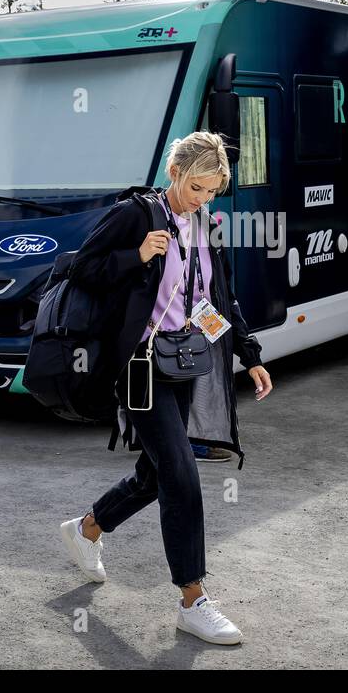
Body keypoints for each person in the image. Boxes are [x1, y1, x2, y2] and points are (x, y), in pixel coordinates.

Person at [58, 131, 273, 644]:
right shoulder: (137, 214)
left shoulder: (206, 225)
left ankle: (88, 527)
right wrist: (134, 256)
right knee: (180, 475)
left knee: (156, 475)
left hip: (183, 361)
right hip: (139, 366)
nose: (203, 199)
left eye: (213, 191)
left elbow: (220, 298)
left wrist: (250, 355)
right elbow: (76, 268)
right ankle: (193, 599)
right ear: (175, 173)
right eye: (197, 187)